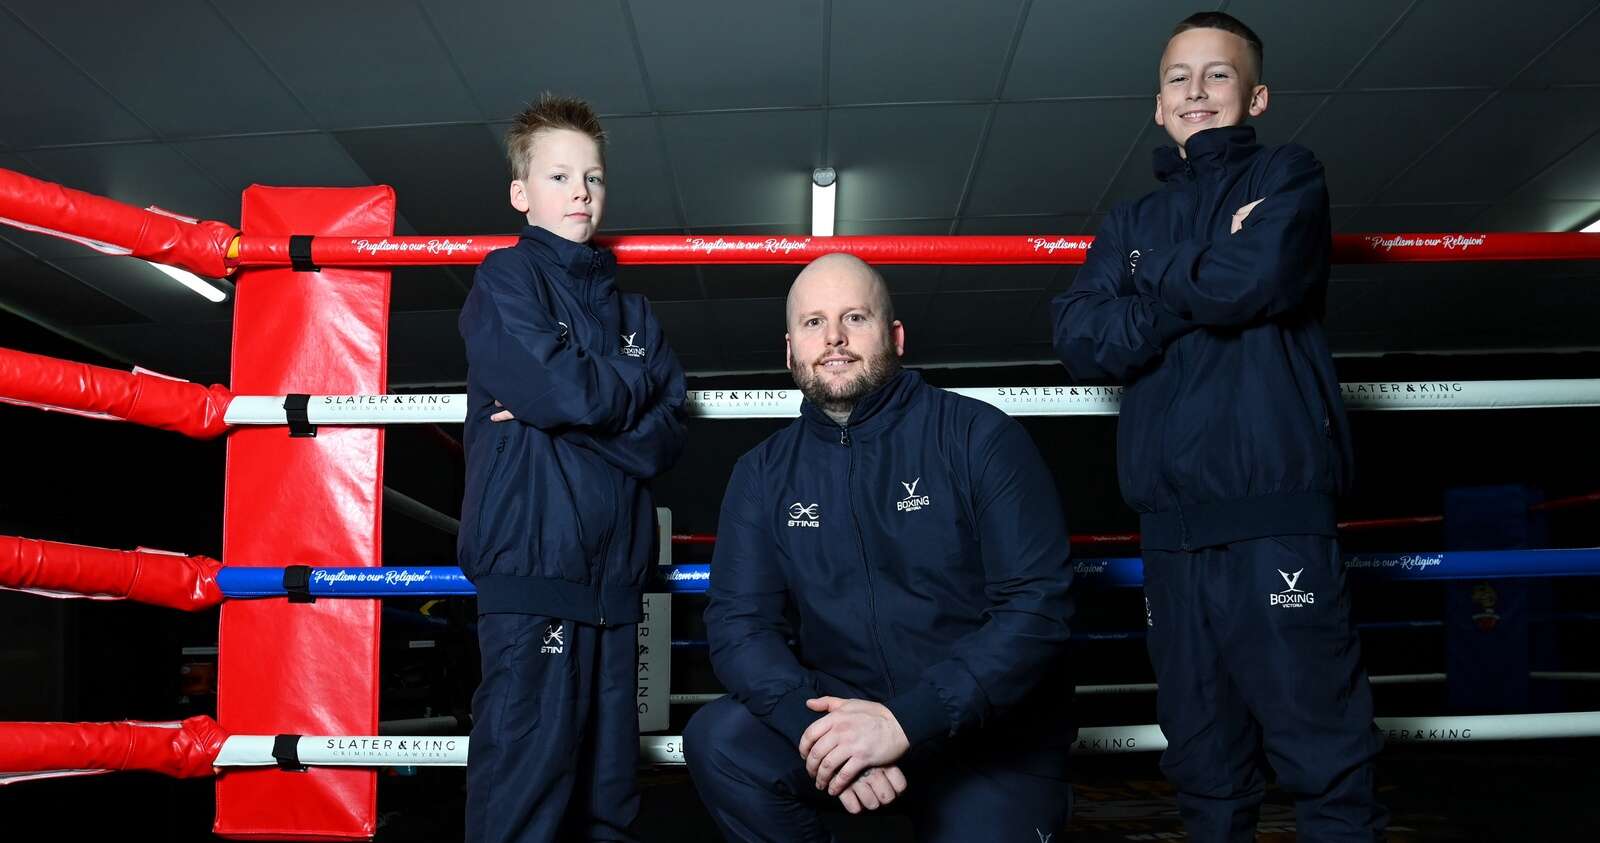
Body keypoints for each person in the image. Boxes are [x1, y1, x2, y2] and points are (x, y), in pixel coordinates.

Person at [1050, 12, 1387, 841]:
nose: (1196, 92)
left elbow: (1256, 279)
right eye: (1178, 78)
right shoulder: (1128, 221)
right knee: (1203, 768)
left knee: (1325, 759)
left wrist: (1151, 280)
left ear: (1257, 95)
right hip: (1170, 536)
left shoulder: (1289, 173)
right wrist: (1205, 274)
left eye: (1218, 75)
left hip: (1275, 519)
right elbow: (1080, 336)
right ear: (1157, 105)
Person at [686, 252, 1076, 842]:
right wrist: (820, 735)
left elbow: (1037, 610)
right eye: (813, 323)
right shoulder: (762, 474)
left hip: (983, 743)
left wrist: (904, 722)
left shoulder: (979, 436)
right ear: (790, 348)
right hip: (843, 724)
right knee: (719, 740)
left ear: (894, 336)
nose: (834, 338)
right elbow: (740, 627)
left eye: (855, 318)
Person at [457, 93, 688, 843]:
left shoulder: (638, 315)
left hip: (616, 589)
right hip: (532, 578)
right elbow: (559, 388)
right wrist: (603, 395)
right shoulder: (505, 281)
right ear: (522, 194)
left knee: (608, 808)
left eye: (591, 177)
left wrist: (558, 413)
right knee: (524, 801)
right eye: (559, 177)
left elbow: (665, 438)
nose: (580, 193)